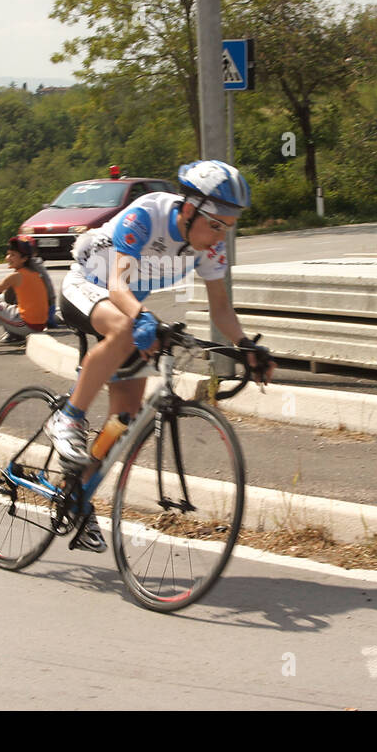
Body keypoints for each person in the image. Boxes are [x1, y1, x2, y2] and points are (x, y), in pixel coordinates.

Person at [47, 159, 276, 551]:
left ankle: (75, 497)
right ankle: (67, 419)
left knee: (123, 422)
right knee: (122, 329)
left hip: (128, 308)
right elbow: (117, 285)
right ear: (190, 209)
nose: (220, 237)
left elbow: (221, 310)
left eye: (228, 228)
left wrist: (247, 347)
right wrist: (141, 317)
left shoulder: (209, 246)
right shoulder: (146, 214)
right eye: (216, 225)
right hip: (87, 286)